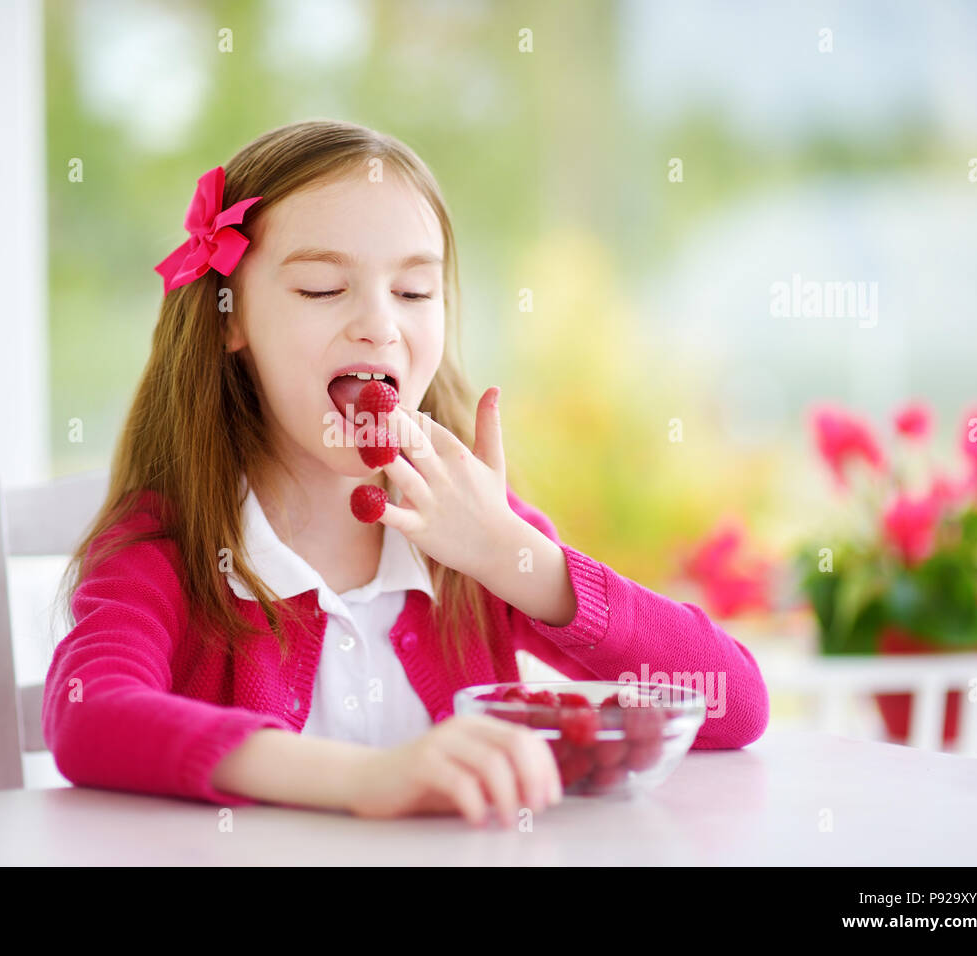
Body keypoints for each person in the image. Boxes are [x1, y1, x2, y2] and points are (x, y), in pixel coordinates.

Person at [43, 119, 769, 827]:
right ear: (229, 319)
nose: (380, 325)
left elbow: (733, 705)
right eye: (324, 288)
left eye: (415, 293)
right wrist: (368, 778)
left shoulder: (469, 525)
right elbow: (87, 714)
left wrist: (509, 556)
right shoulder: (166, 543)